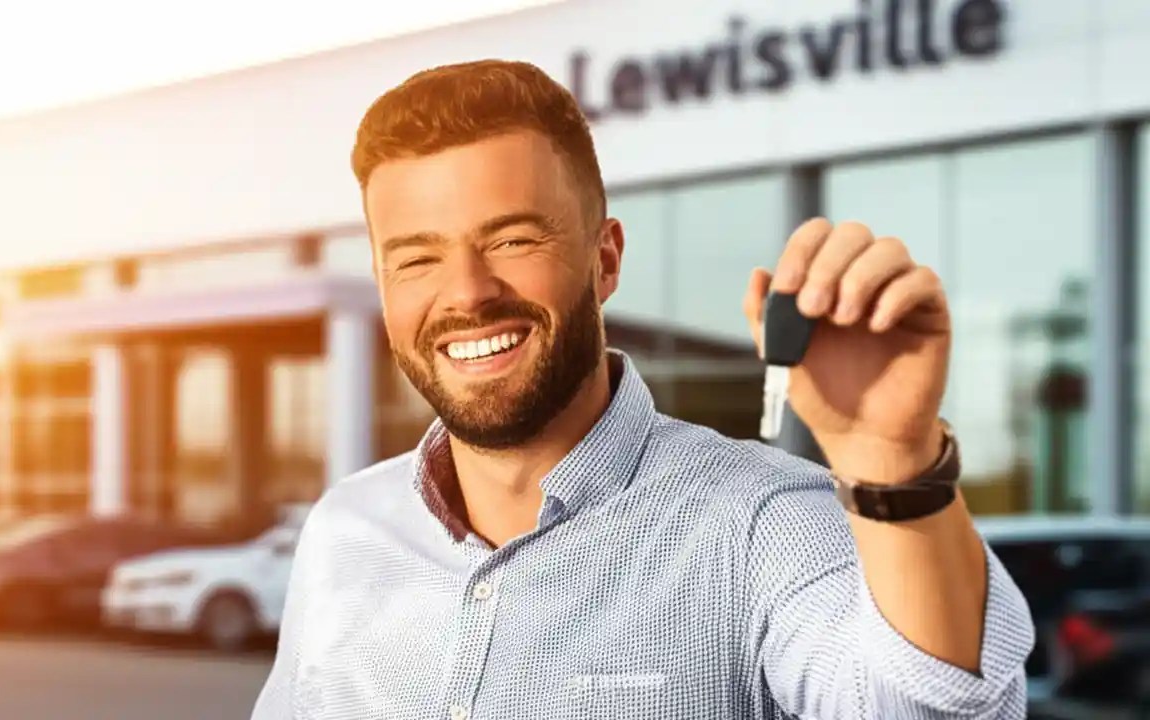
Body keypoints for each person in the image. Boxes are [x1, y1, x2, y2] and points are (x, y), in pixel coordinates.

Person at [251, 59, 1032, 719]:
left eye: (513, 239)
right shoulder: (344, 532)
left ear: (605, 260)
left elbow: (926, 705)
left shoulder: (763, 526)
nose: (468, 292)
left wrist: (895, 464)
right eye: (416, 259)